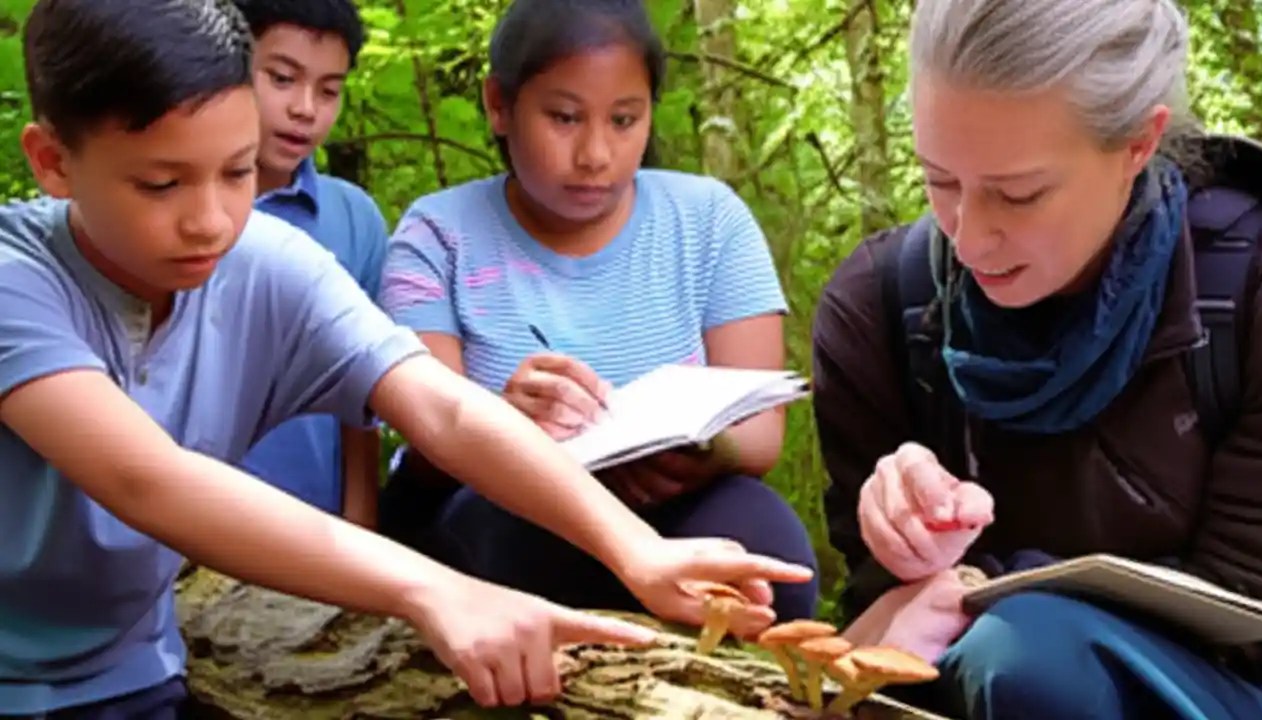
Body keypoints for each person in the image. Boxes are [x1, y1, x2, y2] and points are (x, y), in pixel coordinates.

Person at [0, 1, 813, 717]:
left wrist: (635, 549)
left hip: (133, 672)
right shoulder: (15, 281)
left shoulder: (265, 263)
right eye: (160, 185)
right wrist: (439, 591)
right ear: (52, 162)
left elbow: (443, 404)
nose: (210, 220)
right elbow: (150, 481)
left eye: (239, 172)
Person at [812, 0, 1262, 718]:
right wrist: (909, 553)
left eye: (1018, 194)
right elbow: (883, 632)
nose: (968, 240)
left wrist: (984, 582)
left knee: (1029, 660)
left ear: (1137, 144)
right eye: (939, 180)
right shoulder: (878, 310)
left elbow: (1254, 621)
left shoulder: (1259, 289)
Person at [377, 0, 820, 621]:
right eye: (563, 118)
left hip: (674, 497)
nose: (595, 154)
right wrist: (505, 420)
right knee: (507, 555)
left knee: (772, 565)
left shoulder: (708, 220)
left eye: (623, 120)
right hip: (500, 506)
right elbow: (425, 440)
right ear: (499, 105)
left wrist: (700, 451)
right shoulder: (437, 235)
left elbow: (760, 431)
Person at [230, 0, 385, 525]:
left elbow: (362, 401)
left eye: (329, 90)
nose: (305, 108)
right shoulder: (174, 211)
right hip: (187, 533)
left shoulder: (354, 219)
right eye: (281, 78)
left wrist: (362, 529)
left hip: (317, 527)